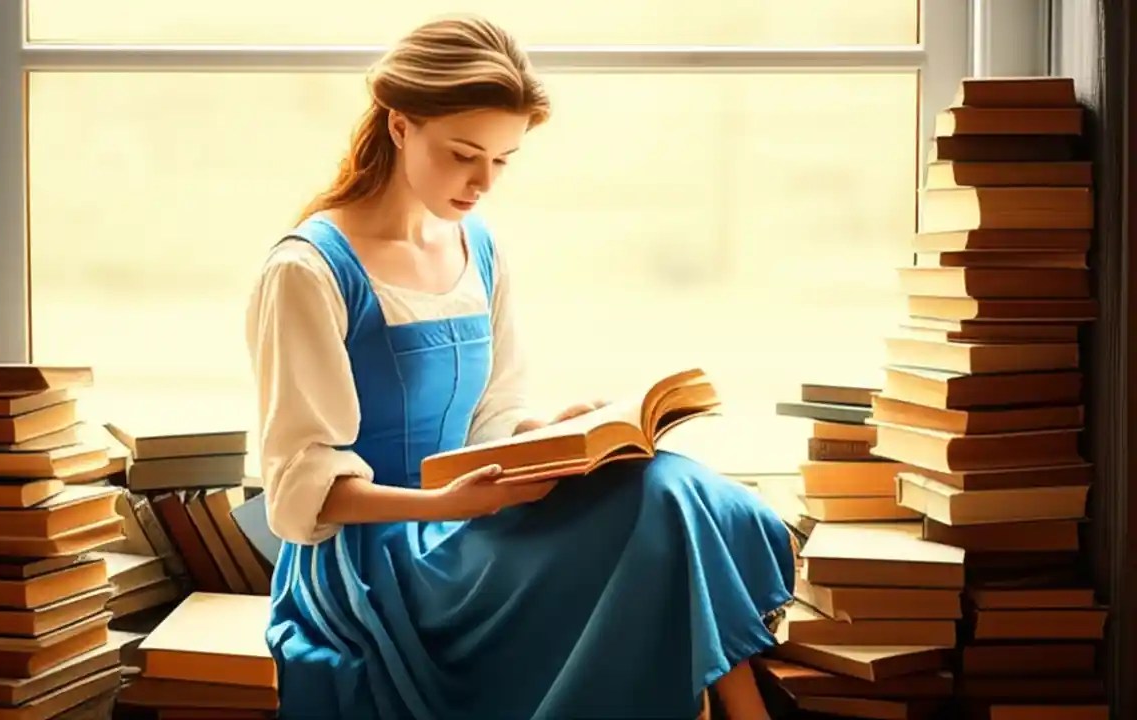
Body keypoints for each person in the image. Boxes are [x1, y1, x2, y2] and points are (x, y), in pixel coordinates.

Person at [244, 14, 796, 720]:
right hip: (378, 559)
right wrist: (444, 504)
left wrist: (551, 431)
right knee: (657, 507)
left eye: (502, 161)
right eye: (463, 154)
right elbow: (298, 492)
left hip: (471, 518)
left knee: (662, 482)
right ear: (400, 125)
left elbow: (490, 416)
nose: (481, 183)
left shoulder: (478, 248)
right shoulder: (308, 270)